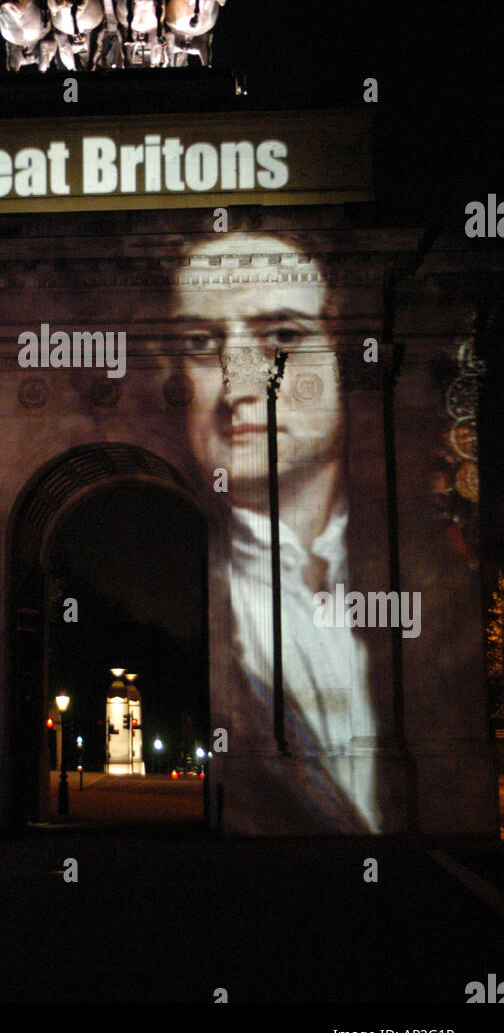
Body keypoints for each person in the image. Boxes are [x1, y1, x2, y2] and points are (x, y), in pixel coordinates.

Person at [167, 231, 378, 831]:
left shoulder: (421, 577)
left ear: (343, 352)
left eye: (283, 337)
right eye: (204, 344)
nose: (240, 386)